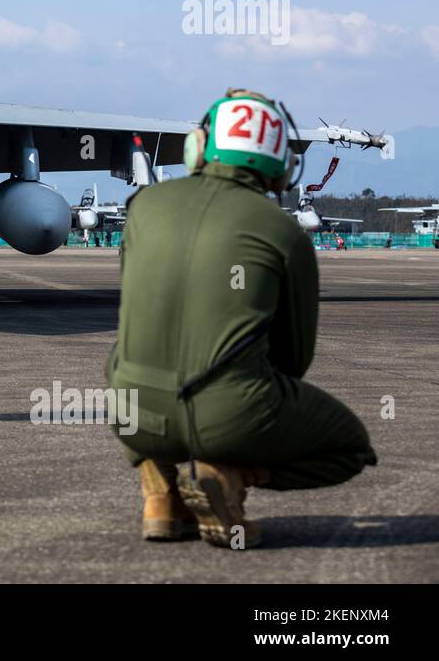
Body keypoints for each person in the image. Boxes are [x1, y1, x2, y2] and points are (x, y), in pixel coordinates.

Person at [106, 89, 376, 548]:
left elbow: (134, 312)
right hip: (230, 413)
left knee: (124, 357)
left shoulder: (144, 208)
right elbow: (294, 358)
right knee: (352, 448)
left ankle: (161, 495)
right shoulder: (282, 230)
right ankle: (231, 476)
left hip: (134, 414)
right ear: (282, 164)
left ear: (198, 147)